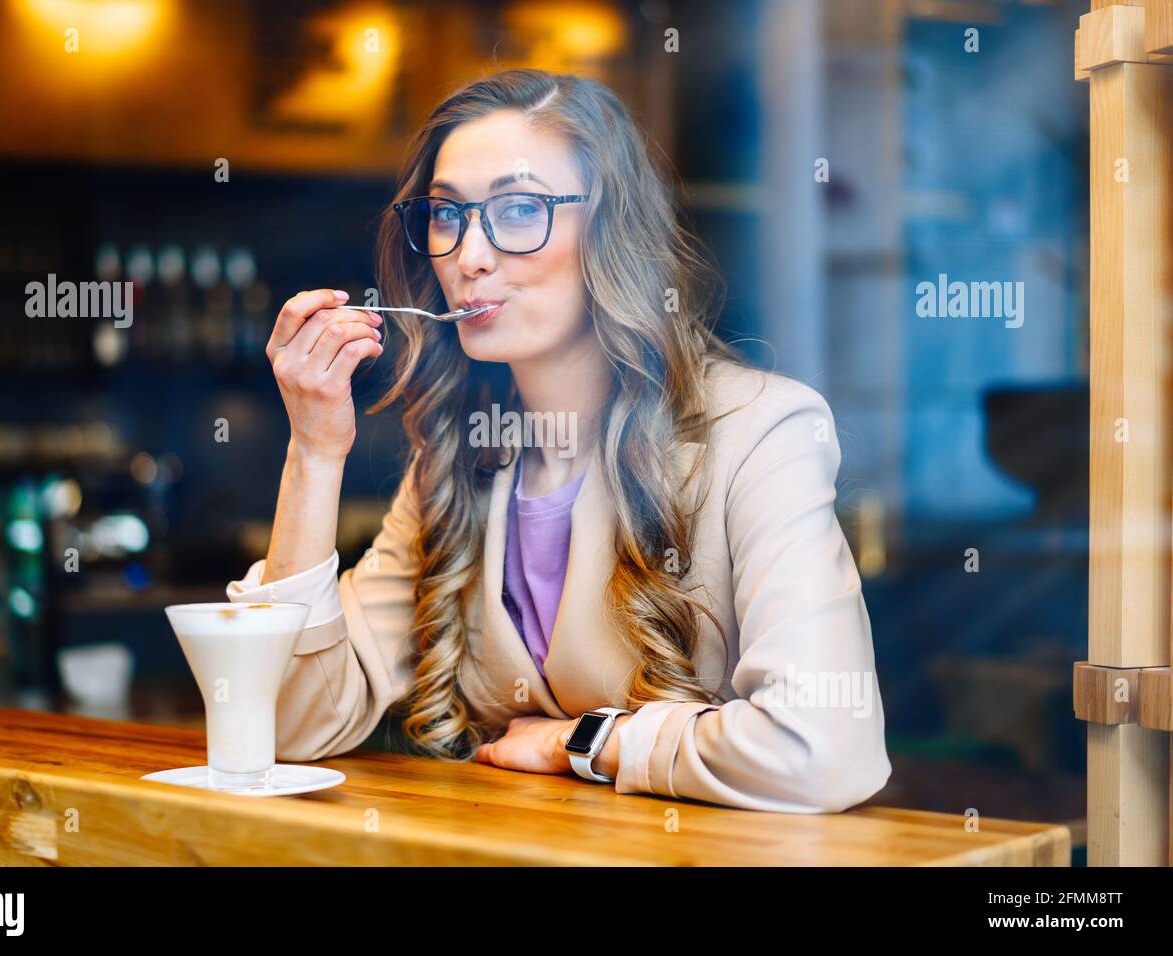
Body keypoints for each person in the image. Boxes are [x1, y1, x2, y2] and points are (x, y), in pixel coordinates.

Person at [228, 68, 891, 813]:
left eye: (518, 210)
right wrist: (313, 453)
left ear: (613, 229)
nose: (467, 255)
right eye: (447, 215)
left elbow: (821, 750)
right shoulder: (459, 457)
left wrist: (585, 743)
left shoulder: (761, 432)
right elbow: (289, 724)